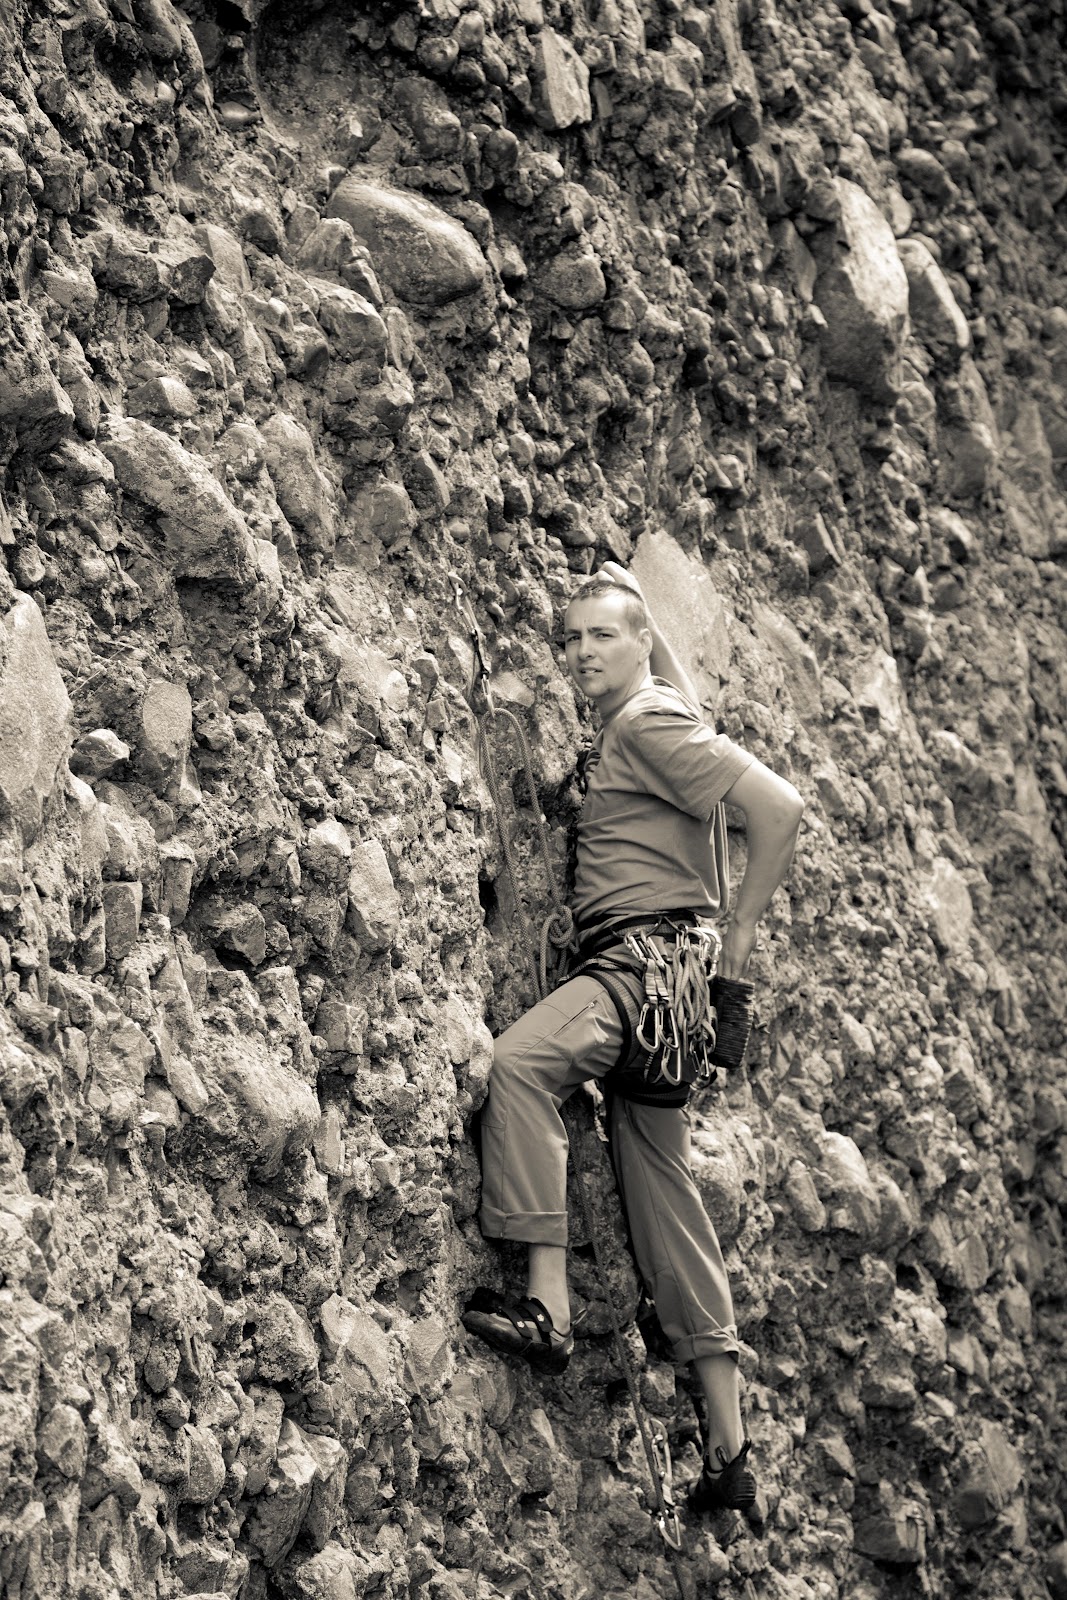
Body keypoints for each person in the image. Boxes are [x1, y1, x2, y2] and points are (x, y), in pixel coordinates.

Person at [462, 562, 804, 1514]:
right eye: (568, 640)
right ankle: (729, 1449)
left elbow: (778, 808)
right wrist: (643, 620)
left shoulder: (645, 725)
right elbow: (687, 708)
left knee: (520, 1064)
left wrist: (741, 936)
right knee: (665, 1193)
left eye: (600, 636)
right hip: (676, 1001)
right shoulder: (662, 716)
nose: (579, 655)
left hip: (640, 968)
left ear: (640, 643)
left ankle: (547, 1305)